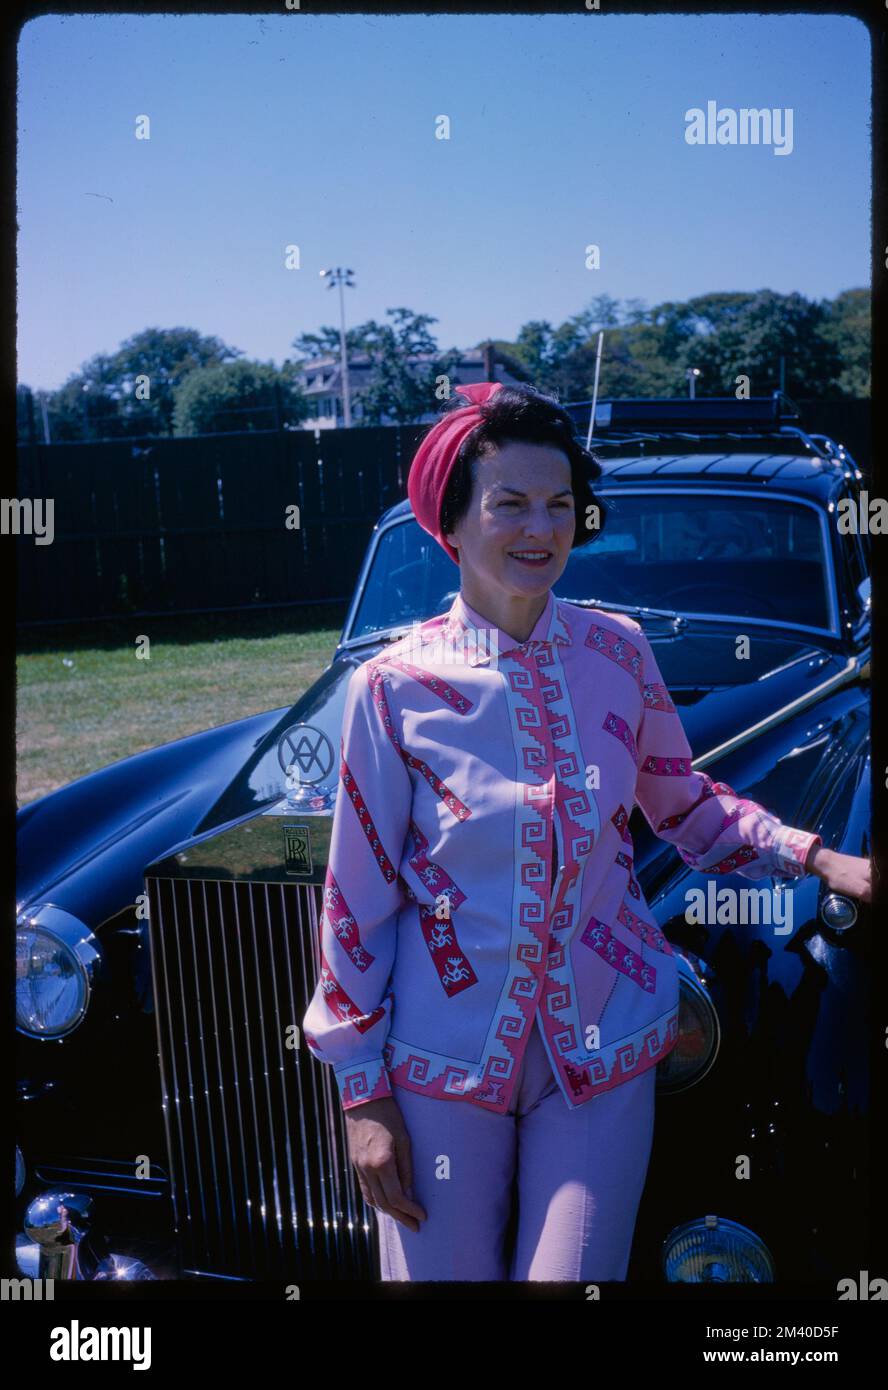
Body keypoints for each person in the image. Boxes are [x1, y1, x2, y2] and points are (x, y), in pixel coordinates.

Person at [302, 381, 871, 1282]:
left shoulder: (618, 654)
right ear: (449, 521)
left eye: (562, 504)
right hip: (442, 1062)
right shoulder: (392, 688)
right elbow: (355, 902)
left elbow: (687, 810)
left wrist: (820, 855)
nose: (542, 527)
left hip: (605, 1044)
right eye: (512, 503)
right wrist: (360, 1092)